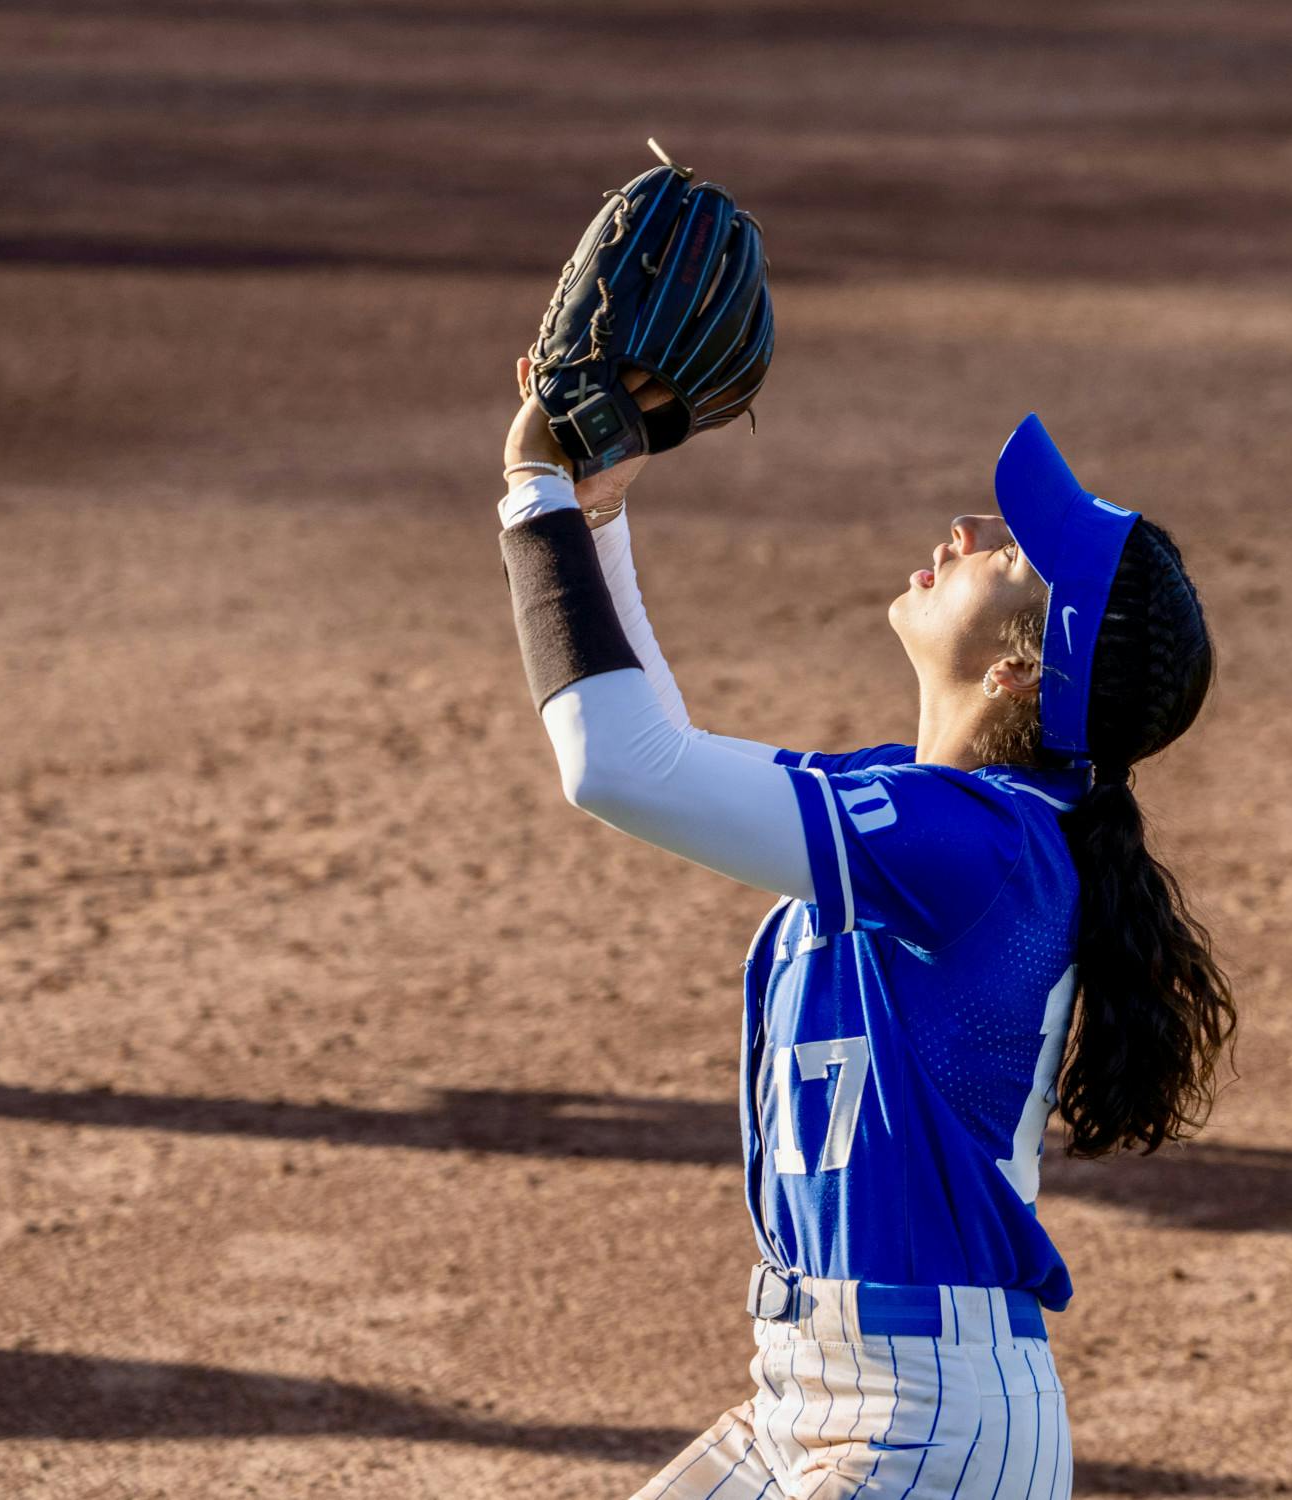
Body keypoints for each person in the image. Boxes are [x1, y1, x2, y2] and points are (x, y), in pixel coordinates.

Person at [495, 361, 1235, 1499]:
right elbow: (664, 746)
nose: (970, 530)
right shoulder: (925, 814)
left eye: (1012, 554)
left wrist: (534, 494)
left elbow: (620, 768)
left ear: (1017, 668)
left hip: (925, 1428)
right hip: (817, 1397)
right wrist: (598, 514)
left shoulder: (973, 852)